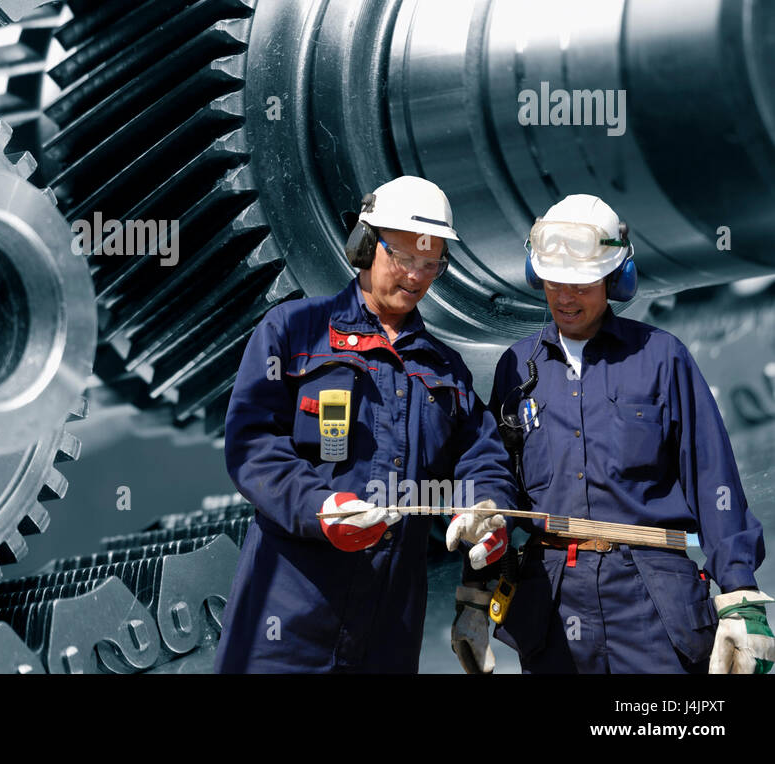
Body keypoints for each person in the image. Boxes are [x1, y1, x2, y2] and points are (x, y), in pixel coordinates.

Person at [451, 194, 772, 674]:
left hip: (652, 601)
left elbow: (713, 479)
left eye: (580, 284)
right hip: (553, 602)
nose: (564, 297)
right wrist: (476, 591)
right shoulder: (515, 367)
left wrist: (740, 594)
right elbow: (498, 476)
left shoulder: (662, 358)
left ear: (615, 279)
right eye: (554, 282)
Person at [213, 176, 514, 673]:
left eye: (431, 262)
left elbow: (481, 456)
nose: (417, 276)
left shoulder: (445, 371)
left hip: (386, 636)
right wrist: (320, 507)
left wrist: (486, 511)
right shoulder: (294, 332)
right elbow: (252, 444)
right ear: (365, 245)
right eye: (403, 257)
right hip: (284, 625)